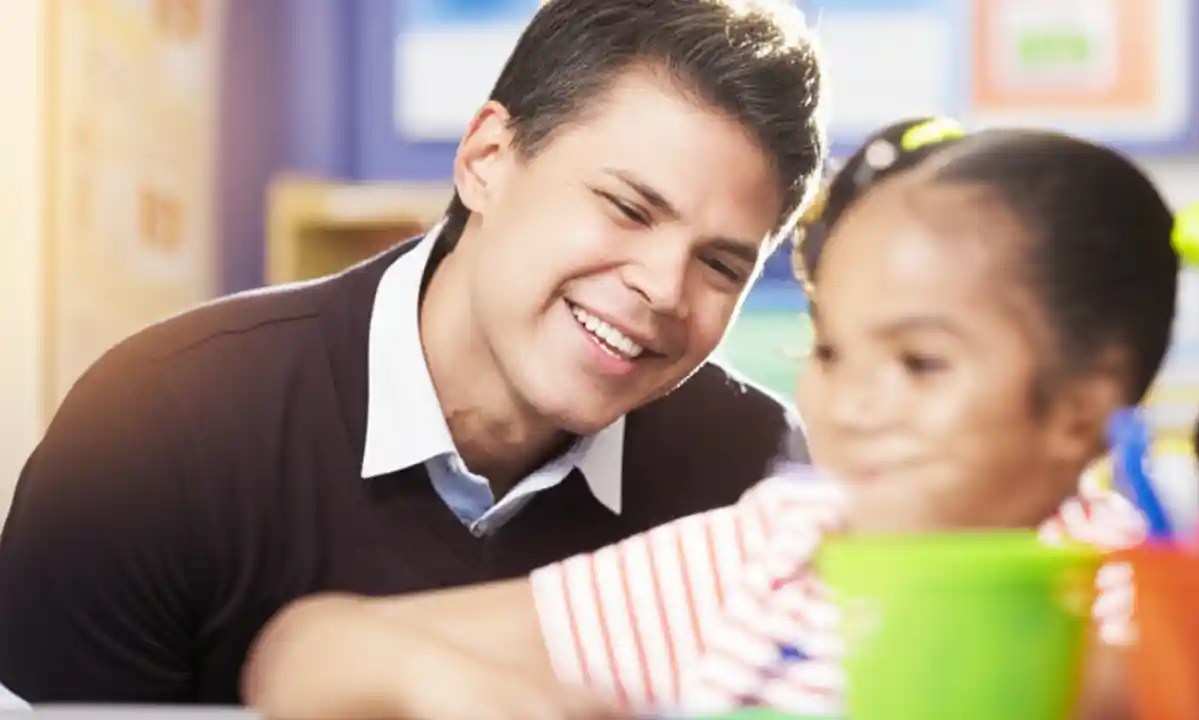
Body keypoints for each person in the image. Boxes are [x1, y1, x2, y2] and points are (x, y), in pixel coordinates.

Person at [244, 118, 1199, 718]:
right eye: (830, 352)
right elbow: (308, 652)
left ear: (1080, 409)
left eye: (918, 362)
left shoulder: (1158, 617)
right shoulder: (769, 563)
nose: (847, 402)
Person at [0, 0, 827, 704]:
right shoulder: (155, 428)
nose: (663, 289)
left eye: (720, 264)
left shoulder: (751, 479)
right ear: (486, 160)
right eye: (627, 208)